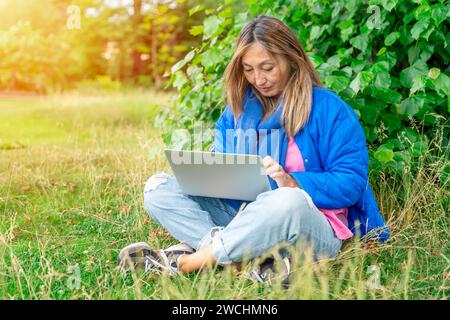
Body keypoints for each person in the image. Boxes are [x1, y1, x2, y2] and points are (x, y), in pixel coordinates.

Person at [117, 16, 390, 283]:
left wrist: (293, 182)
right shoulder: (235, 113)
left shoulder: (329, 109)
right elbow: (223, 170)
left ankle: (189, 261)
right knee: (158, 189)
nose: (258, 79)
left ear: (291, 59)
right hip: (245, 217)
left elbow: (351, 182)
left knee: (286, 200)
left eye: (267, 67)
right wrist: (211, 176)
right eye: (248, 69)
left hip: (308, 225)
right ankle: (247, 260)